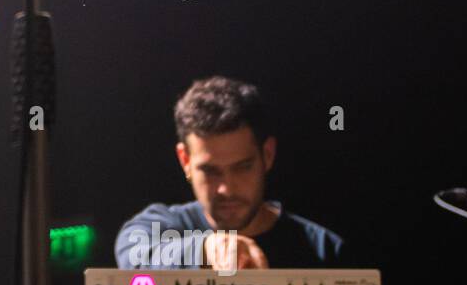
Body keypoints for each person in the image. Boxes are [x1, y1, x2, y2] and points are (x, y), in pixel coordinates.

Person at [115, 76, 345, 273]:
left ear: (268, 154)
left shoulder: (323, 250)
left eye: (242, 167)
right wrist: (205, 249)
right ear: (185, 161)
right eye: (210, 171)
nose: (227, 188)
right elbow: (133, 253)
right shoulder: (158, 227)